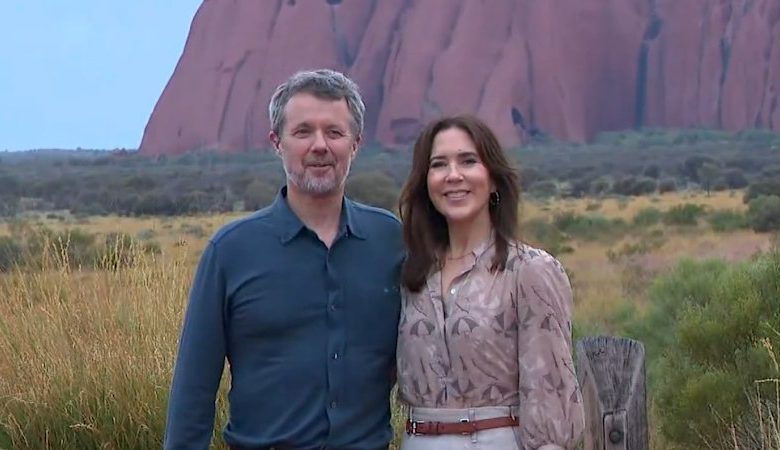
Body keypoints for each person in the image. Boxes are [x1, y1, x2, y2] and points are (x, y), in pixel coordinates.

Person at [164, 69, 404, 450]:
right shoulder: (231, 251)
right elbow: (194, 389)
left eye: (335, 132)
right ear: (277, 142)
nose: (320, 146)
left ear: (356, 144)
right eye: (303, 131)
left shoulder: (390, 240)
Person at [396, 115, 585, 450]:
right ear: (426, 181)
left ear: (494, 179)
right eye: (439, 164)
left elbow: (550, 390)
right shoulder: (413, 276)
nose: (453, 175)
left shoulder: (529, 271)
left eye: (468, 161)